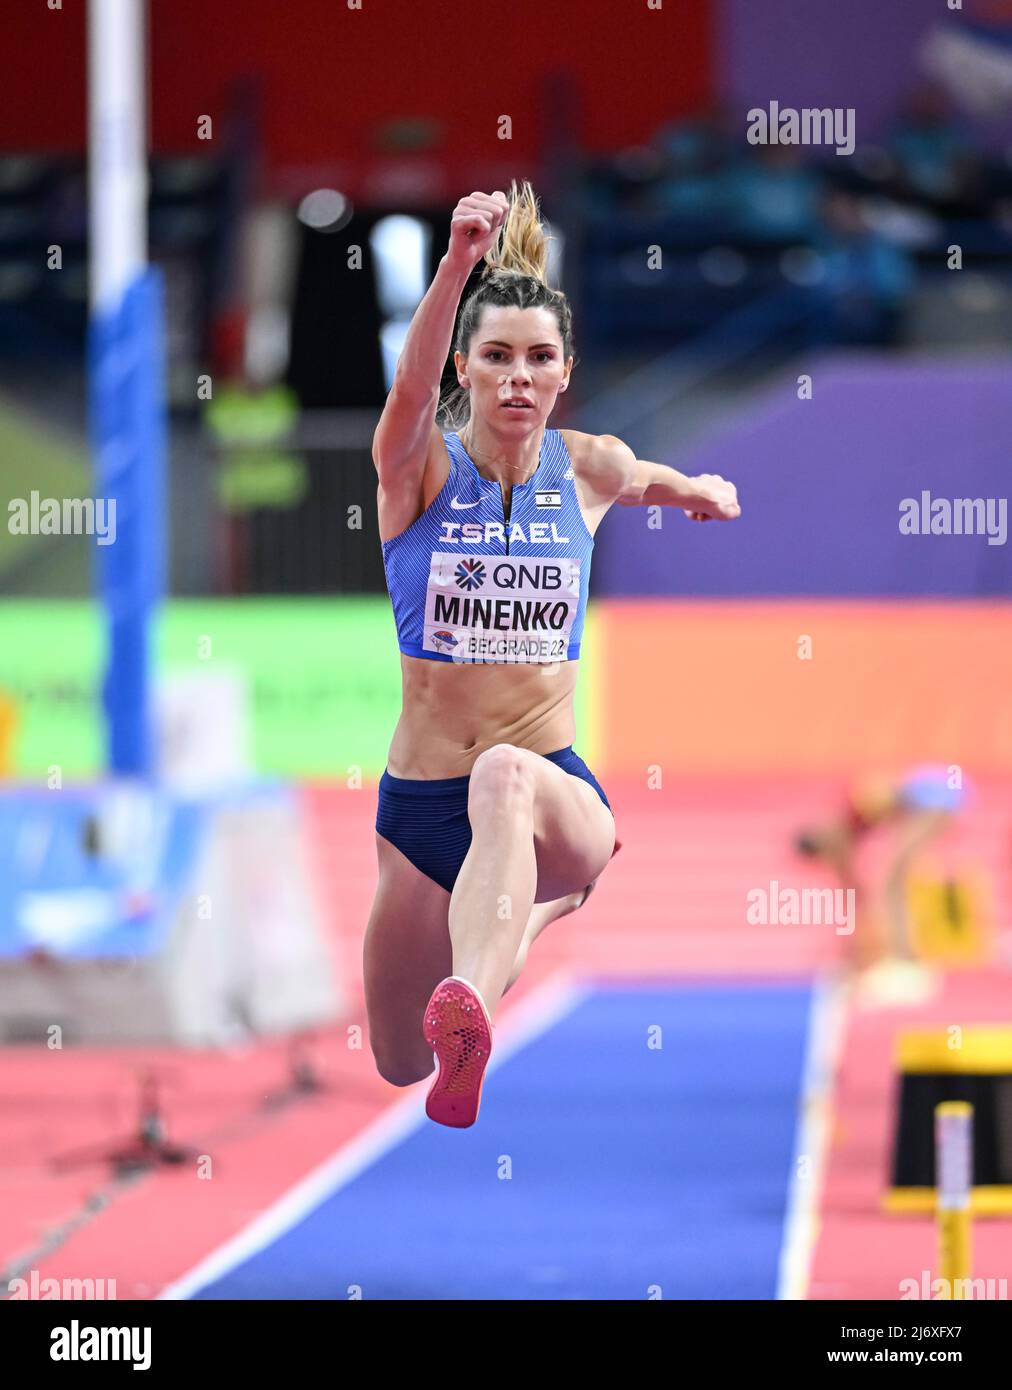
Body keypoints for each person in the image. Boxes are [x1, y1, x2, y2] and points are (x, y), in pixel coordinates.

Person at [367, 180, 741, 1126]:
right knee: (398, 1063)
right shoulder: (418, 471)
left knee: (503, 772)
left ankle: (480, 1005)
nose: (518, 377)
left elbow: (648, 476)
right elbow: (408, 397)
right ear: (466, 365)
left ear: (564, 370)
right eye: (496, 357)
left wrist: (701, 488)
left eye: (538, 358)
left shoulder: (587, 467)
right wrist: (455, 262)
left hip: (549, 789)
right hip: (418, 810)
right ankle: (524, 925)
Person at [796, 764, 968, 1001]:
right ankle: (900, 958)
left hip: (935, 798)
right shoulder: (845, 832)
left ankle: (905, 960)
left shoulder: (848, 818)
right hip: (933, 797)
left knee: (893, 878)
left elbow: (886, 794)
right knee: (892, 880)